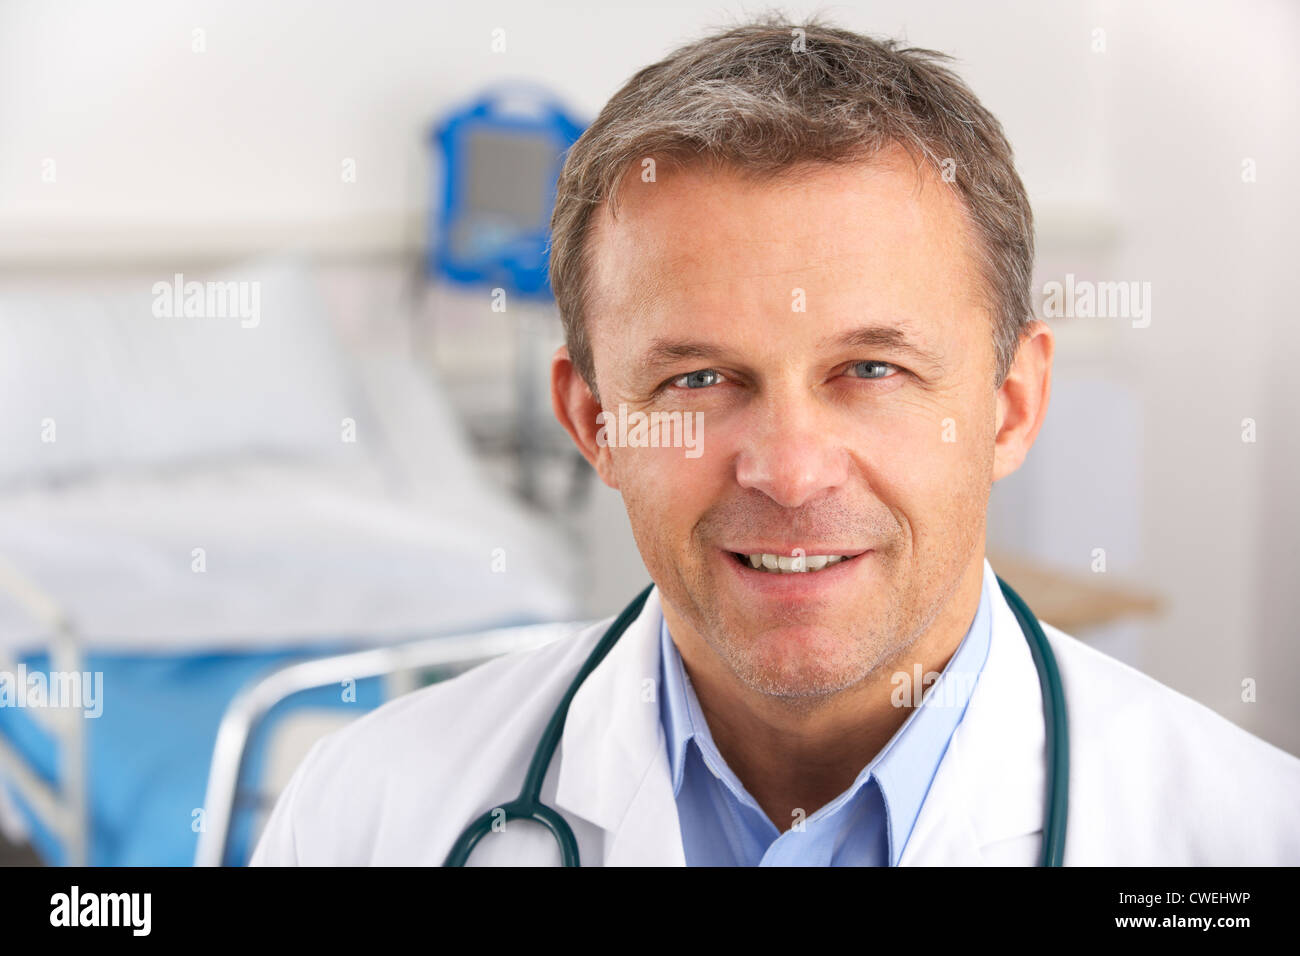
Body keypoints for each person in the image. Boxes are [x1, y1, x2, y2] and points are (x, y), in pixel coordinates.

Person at [251, 17, 1300, 866]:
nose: (790, 470)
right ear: (594, 421)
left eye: (871, 370)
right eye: (699, 378)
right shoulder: (368, 815)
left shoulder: (1247, 835)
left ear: (1011, 405)